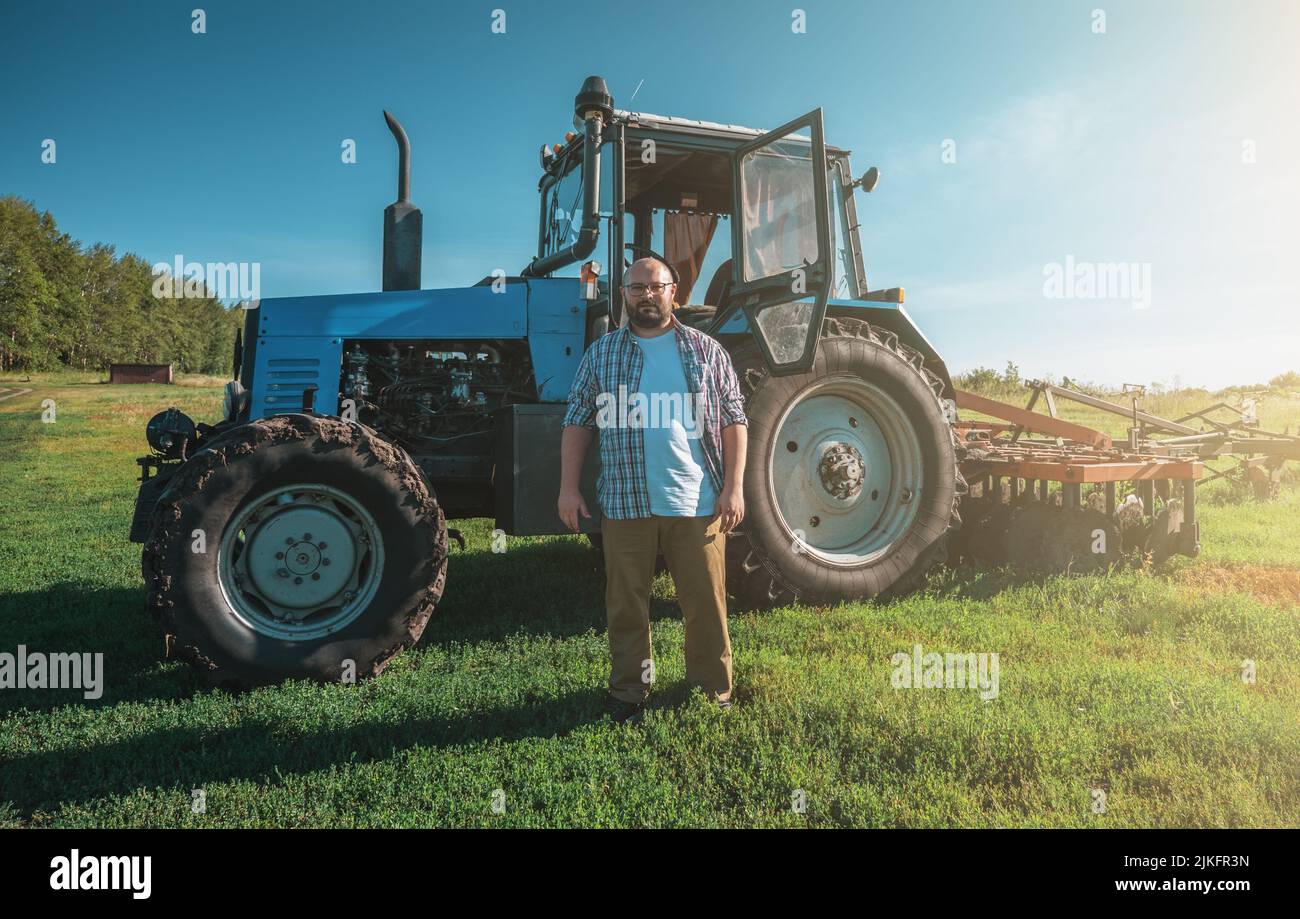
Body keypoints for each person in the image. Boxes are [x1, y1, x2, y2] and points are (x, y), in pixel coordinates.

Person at [558, 257, 748, 723]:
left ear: (673, 292)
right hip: (625, 502)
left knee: (705, 603)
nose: (647, 294)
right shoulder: (601, 354)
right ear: (623, 294)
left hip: (697, 501)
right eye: (637, 287)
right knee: (626, 604)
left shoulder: (706, 350)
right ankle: (629, 691)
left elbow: (733, 419)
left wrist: (734, 488)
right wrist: (568, 488)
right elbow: (577, 421)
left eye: (655, 286)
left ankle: (712, 689)